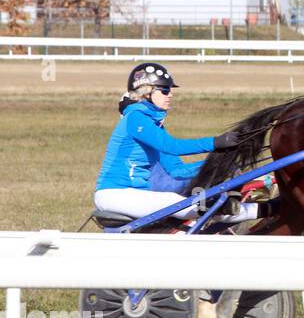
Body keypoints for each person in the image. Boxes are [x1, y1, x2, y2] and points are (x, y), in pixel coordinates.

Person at [93, 62, 256, 224]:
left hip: (135, 193)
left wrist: (220, 163)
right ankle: (219, 204)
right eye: (164, 90)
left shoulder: (152, 125)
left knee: (204, 208)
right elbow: (171, 146)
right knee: (179, 203)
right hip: (114, 194)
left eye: (170, 90)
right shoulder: (136, 118)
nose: (170, 94)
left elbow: (177, 170)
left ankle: (265, 209)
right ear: (146, 92)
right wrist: (216, 142)